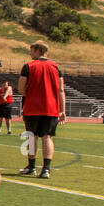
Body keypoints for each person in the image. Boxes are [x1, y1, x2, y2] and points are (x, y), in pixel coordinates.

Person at [17, 41, 65, 178]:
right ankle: (46, 169)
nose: (30, 53)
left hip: (32, 107)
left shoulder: (28, 66)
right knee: (47, 137)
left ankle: (31, 167)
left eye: (31, 50)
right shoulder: (56, 67)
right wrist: (63, 110)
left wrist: (31, 95)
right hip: (51, 107)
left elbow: (21, 88)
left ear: (38, 50)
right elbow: (61, 90)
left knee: (32, 137)